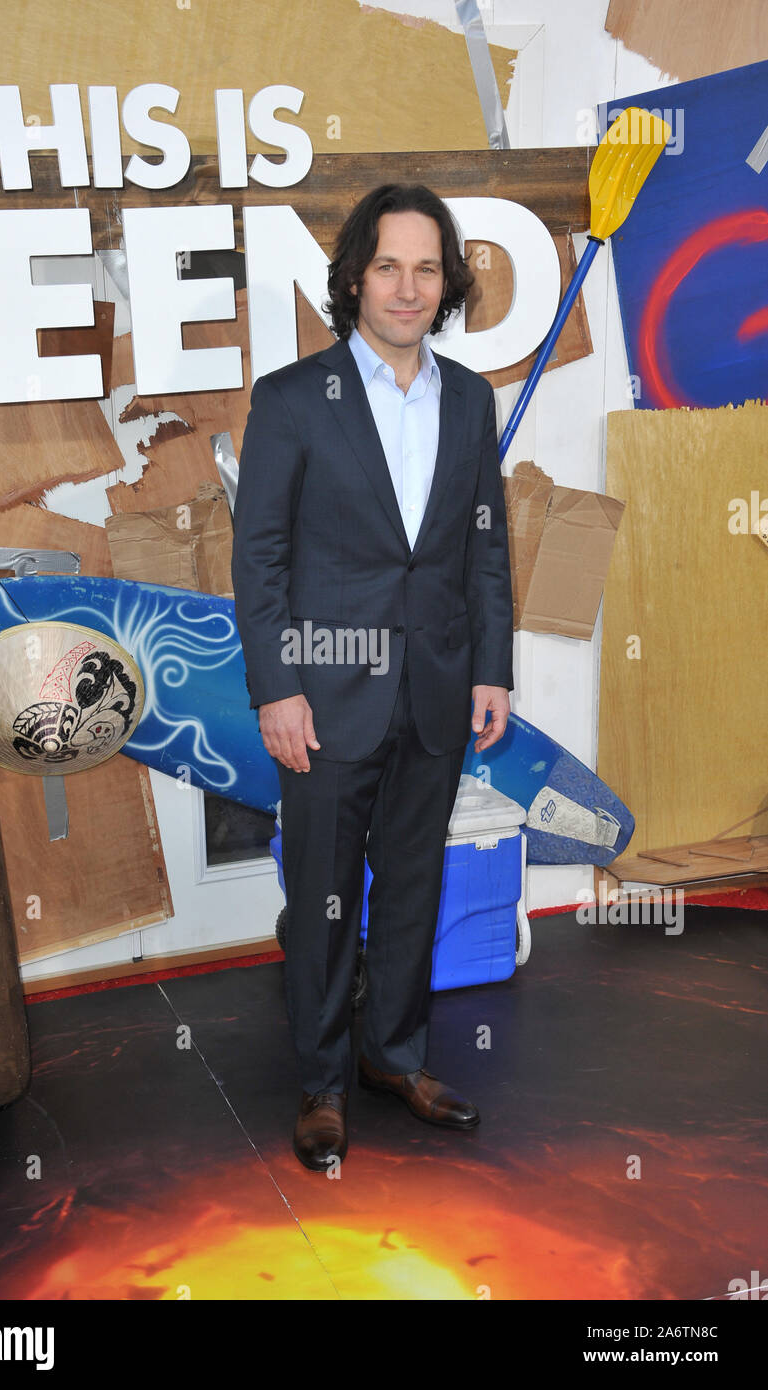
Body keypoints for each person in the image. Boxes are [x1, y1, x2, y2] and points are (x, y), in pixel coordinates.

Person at [231, 183, 514, 1172]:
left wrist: (492, 669)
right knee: (320, 893)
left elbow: (483, 551)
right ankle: (320, 1081)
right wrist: (274, 687)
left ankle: (395, 1057)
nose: (406, 287)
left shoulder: (471, 399)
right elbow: (259, 556)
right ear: (354, 276)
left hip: (436, 685)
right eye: (388, 265)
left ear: (448, 284)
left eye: (426, 268)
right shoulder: (293, 399)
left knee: (411, 884)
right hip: (323, 693)